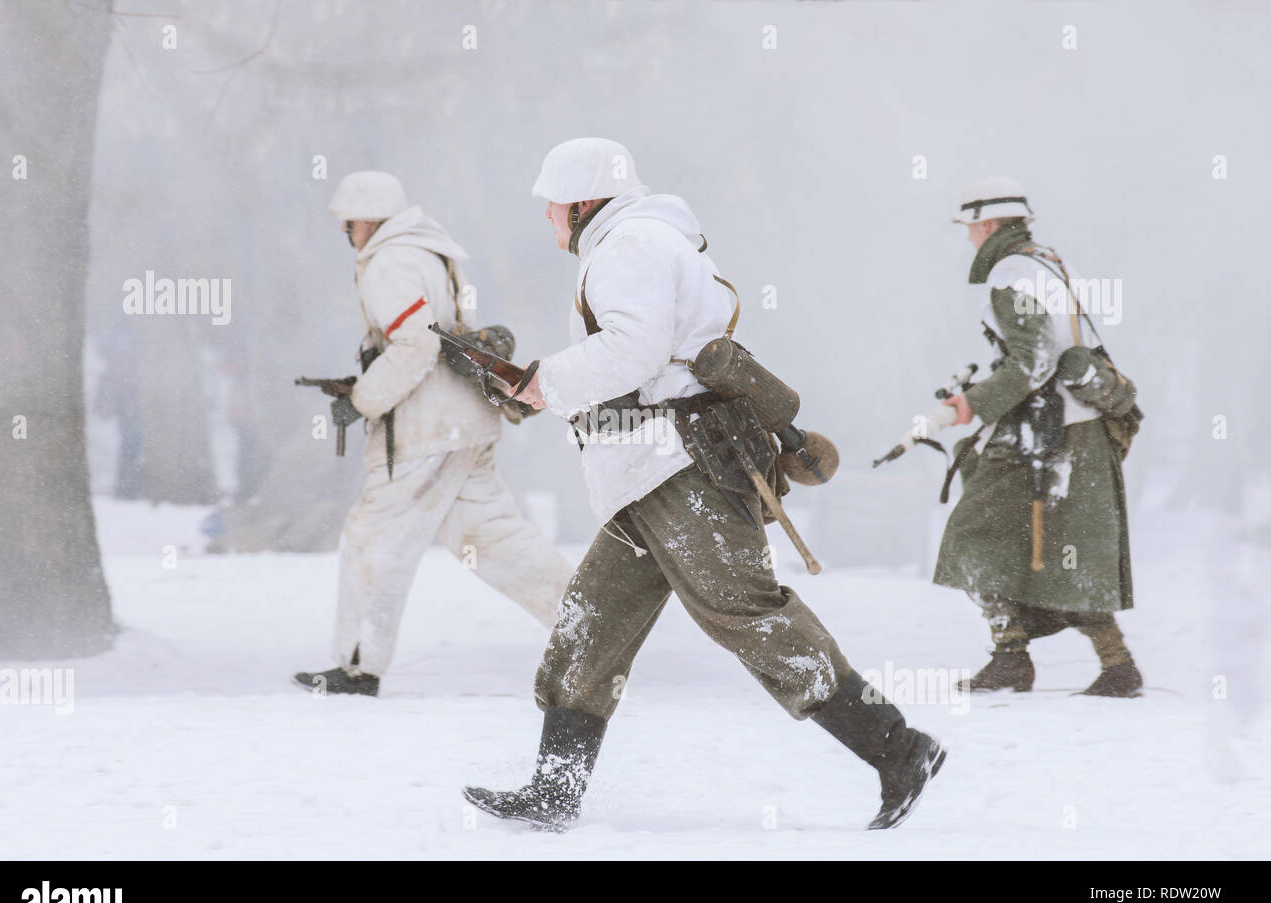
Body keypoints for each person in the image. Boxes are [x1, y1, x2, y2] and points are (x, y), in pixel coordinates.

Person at [462, 139, 945, 831]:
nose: (546, 216)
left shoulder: (628, 244)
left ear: (583, 201)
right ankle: (555, 789)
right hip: (649, 474)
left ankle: (898, 749)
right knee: (591, 622)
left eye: (553, 203)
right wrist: (549, 386)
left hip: (677, 469)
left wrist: (546, 382)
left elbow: (634, 351)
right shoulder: (649, 239)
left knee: (746, 614)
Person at [293, 171, 574, 697]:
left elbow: (416, 346)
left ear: (368, 219)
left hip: (423, 433)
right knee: (494, 537)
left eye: (349, 221)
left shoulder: (388, 262)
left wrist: (362, 400)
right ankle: (588, 624)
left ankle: (357, 669)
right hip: (464, 422)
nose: (346, 231)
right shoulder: (435, 252)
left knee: (372, 541)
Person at [934, 176, 1142, 698]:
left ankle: (1011, 655)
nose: (967, 238)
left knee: (972, 535)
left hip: (1045, 433)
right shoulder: (1047, 261)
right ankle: (1116, 665)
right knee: (1067, 546)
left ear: (986, 224)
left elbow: (1033, 362)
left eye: (969, 228)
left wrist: (971, 403)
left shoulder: (1011, 274)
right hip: (1078, 428)